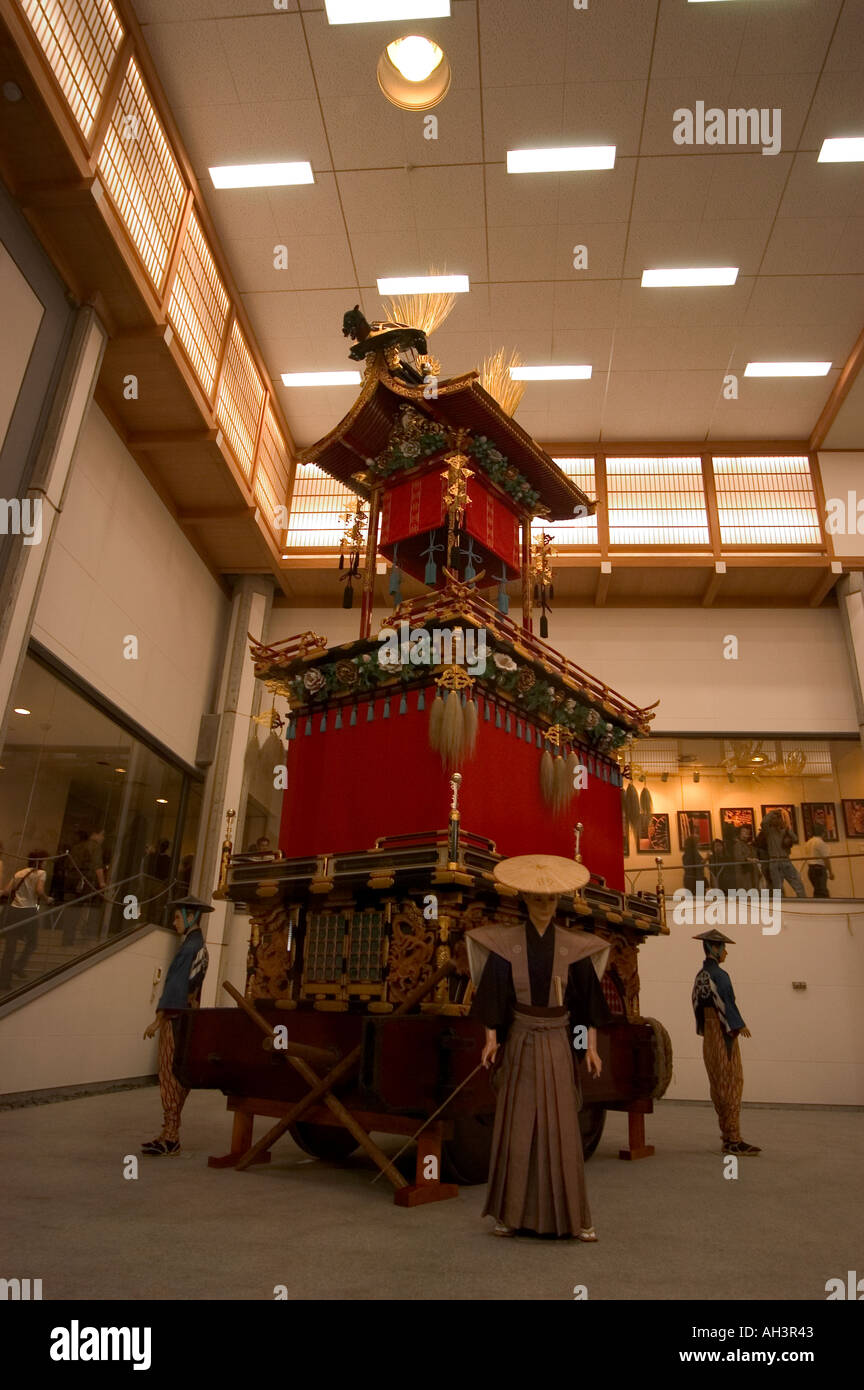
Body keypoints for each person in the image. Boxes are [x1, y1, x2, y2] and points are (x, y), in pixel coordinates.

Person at [467, 854, 612, 1240]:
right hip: (521, 1042)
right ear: (525, 900)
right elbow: (494, 997)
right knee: (517, 1126)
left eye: (550, 900)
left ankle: (574, 1217)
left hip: (558, 1043)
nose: (544, 905)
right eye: (537, 899)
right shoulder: (506, 944)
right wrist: (492, 1040)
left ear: (558, 902)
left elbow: (585, 1005)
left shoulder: (573, 948)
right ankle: (509, 1214)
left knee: (563, 1127)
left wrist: (589, 1048)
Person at [141, 894, 212, 1156]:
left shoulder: (189, 948)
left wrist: (159, 1019)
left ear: (191, 916)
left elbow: (176, 986)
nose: (173, 922)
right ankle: (170, 1132)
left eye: (176, 917)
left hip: (177, 1017)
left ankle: (171, 1136)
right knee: (178, 1074)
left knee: (170, 1073)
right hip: (188, 1016)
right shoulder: (197, 945)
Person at [692, 928, 760, 1157]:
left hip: (710, 1034)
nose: (726, 953)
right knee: (731, 1083)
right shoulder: (720, 976)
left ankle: (728, 1136)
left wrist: (707, 1026)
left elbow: (696, 1006)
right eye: (723, 948)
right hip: (723, 1034)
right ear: (714, 948)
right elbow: (727, 1002)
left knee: (717, 1085)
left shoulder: (700, 975)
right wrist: (738, 1025)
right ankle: (733, 1138)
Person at [0, 851, 53, 989]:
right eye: (45, 861)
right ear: (40, 861)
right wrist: (47, 898)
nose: (46, 864)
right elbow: (39, 890)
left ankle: (4, 981)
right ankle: (18, 966)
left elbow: (6, 891)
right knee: (33, 942)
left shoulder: (19, 873)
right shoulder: (41, 873)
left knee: (9, 949)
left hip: (13, 911)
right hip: (28, 911)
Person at [757, 811, 805, 897]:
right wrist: (772, 812)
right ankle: (781, 906)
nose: (776, 820)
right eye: (773, 819)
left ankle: (804, 902)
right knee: (778, 888)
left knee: (798, 884)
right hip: (774, 861)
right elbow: (763, 822)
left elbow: (795, 839)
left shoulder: (784, 830)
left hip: (785, 860)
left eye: (778, 818)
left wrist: (787, 828)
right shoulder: (769, 832)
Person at [802, 832, 833, 898]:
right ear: (823, 833)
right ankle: (777, 906)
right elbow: (826, 858)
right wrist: (830, 872)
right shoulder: (820, 842)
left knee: (818, 891)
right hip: (818, 869)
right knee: (822, 893)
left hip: (811, 869)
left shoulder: (808, 842)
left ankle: (777, 906)